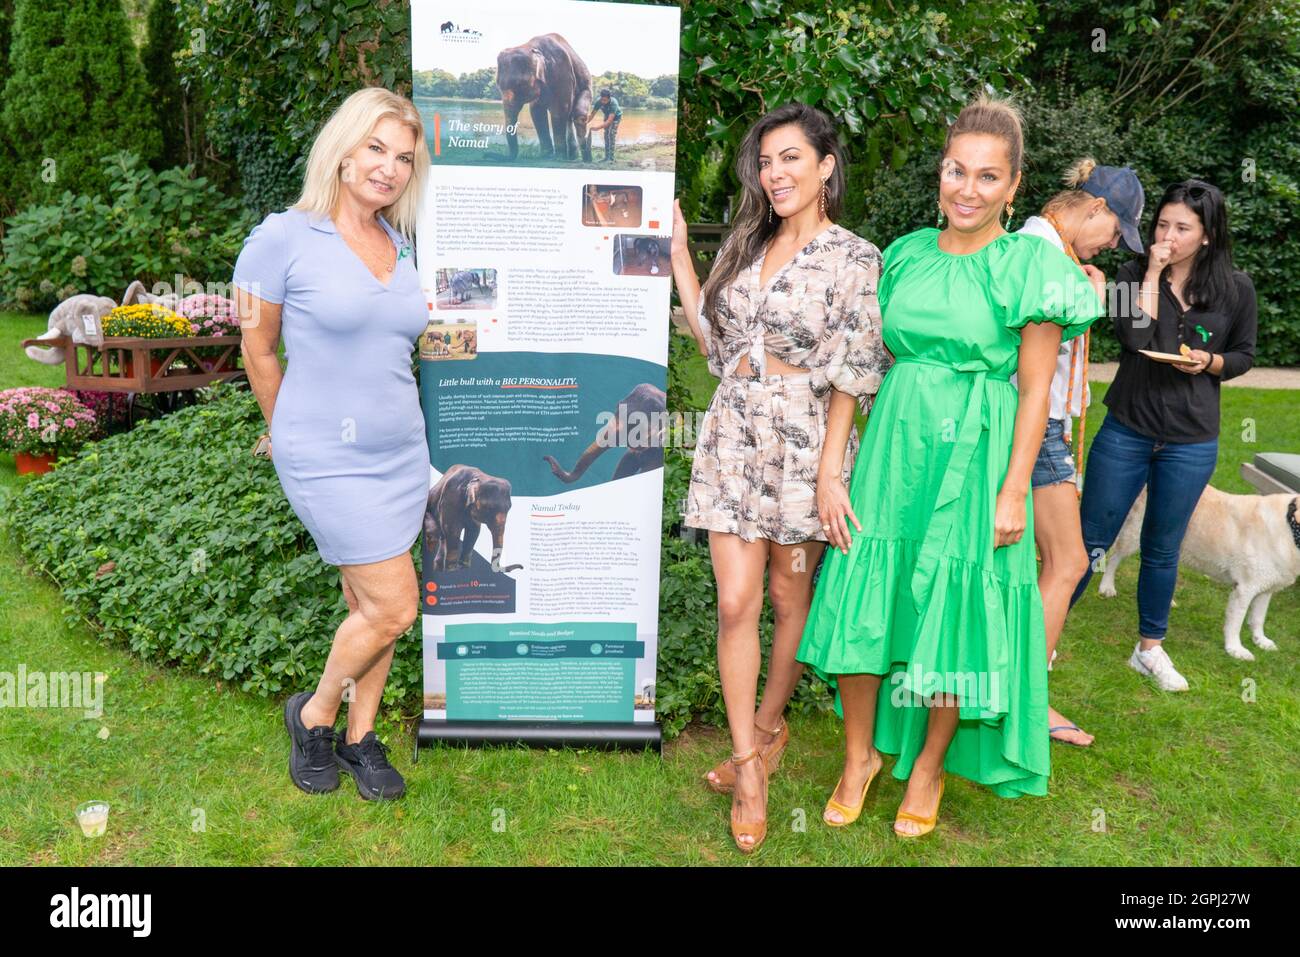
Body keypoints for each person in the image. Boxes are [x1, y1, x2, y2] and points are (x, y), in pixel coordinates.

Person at [797, 95, 1105, 837]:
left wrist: (1012, 490)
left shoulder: (1028, 263)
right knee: (868, 593)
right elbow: (861, 367)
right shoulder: (901, 255)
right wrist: (832, 466)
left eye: (987, 176)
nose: (966, 189)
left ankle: (930, 765)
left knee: (957, 611)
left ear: (1014, 184)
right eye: (955, 170)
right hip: (895, 446)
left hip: (977, 453)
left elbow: (1037, 389)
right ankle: (859, 755)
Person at [670, 102, 891, 852]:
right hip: (735, 432)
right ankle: (748, 767)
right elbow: (717, 344)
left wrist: (833, 473)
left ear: (827, 165)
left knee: (789, 593)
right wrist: (677, 255)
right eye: (766, 162)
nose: (775, 174)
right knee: (737, 602)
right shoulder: (744, 240)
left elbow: (856, 373)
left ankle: (768, 726)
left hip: (804, 440)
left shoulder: (857, 257)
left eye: (791, 158)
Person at [233, 87, 432, 801]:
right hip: (327, 457)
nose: (389, 167)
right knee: (395, 606)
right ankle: (315, 713)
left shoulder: (398, 243)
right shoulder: (282, 237)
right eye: (376, 148)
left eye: (403, 157)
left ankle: (358, 737)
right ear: (343, 151)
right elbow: (257, 348)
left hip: (401, 455)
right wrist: (288, 431)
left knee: (367, 603)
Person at [1068, 180, 1257, 691]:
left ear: (1207, 236)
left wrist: (1211, 361)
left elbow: (1244, 354)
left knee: (1163, 545)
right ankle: (1045, 632)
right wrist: (1152, 270)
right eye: (1161, 225)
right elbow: (1133, 336)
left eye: (1182, 228)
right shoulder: (1132, 274)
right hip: (1128, 429)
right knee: (1091, 539)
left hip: (1190, 441)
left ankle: (1149, 648)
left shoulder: (1235, 290)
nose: (1167, 235)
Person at [1009, 158, 1145, 747]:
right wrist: (1089, 295)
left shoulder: (1043, 248)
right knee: (1067, 563)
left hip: (1037, 426)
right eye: (1115, 232)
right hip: (1036, 428)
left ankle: (1008, 689)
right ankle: (1026, 703)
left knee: (1038, 566)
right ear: (1096, 209)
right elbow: (1027, 341)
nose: (1112, 247)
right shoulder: (1042, 253)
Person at [587, 88, 622, 163]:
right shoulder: (599, 102)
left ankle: (611, 159)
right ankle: (606, 157)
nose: (603, 102)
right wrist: (585, 122)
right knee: (606, 136)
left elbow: (609, 121)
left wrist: (597, 128)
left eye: (605, 100)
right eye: (602, 99)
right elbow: (592, 114)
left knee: (611, 135)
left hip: (616, 117)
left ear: (609, 98)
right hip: (607, 115)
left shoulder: (613, 103)